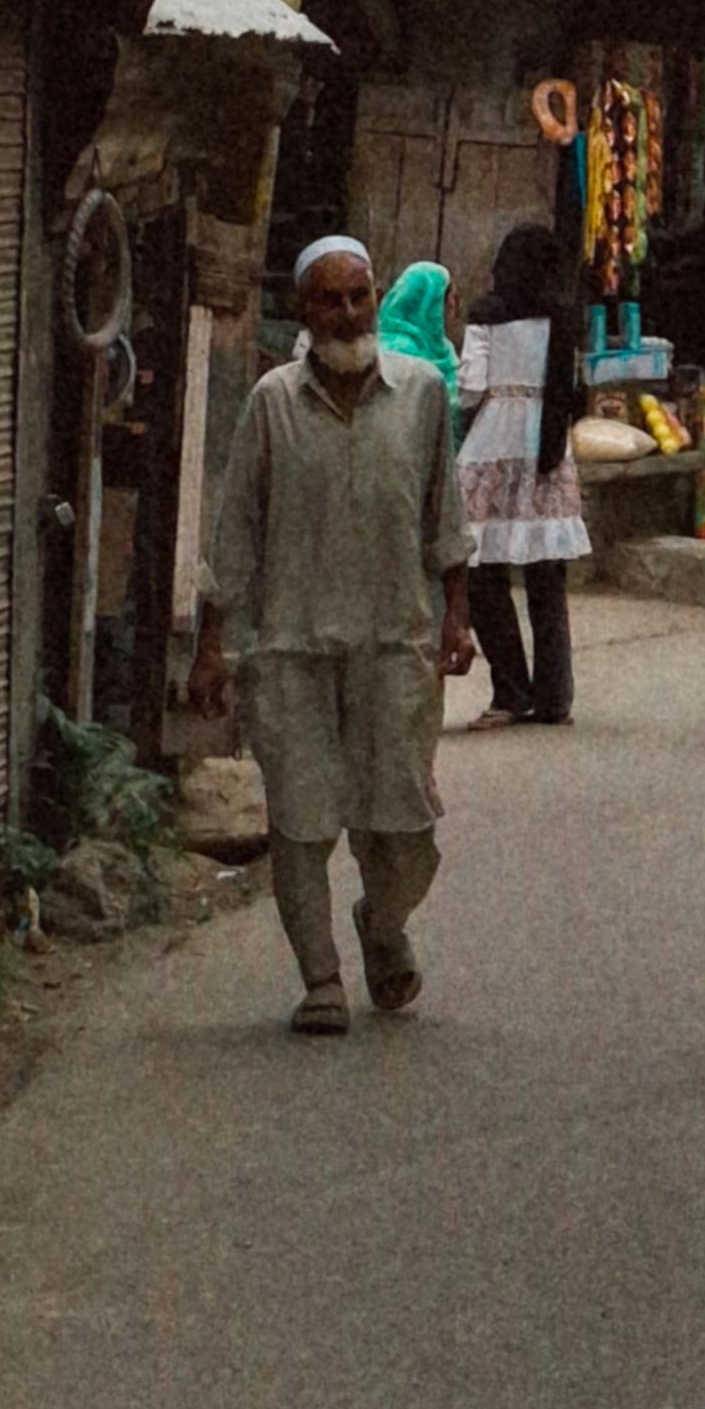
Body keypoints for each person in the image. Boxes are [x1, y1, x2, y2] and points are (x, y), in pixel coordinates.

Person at [190, 233, 475, 1035]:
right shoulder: (272, 402)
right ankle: (320, 978)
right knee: (301, 823)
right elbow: (236, 530)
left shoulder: (421, 393)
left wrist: (457, 614)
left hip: (395, 645)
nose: (348, 313)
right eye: (330, 299)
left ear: (376, 299)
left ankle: (382, 924)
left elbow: (444, 514)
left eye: (360, 296)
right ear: (303, 311)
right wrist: (212, 643)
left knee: (404, 826)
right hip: (292, 650)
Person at [457, 222, 589, 729]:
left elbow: (471, 387)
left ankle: (511, 691)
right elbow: (573, 386)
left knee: (484, 572)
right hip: (548, 448)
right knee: (547, 580)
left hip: (494, 444)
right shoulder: (564, 315)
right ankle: (555, 698)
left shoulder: (488, 313)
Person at [379, 256, 460, 401]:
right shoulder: (396, 350)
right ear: (434, 305)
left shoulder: (443, 349)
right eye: (453, 299)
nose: (454, 308)